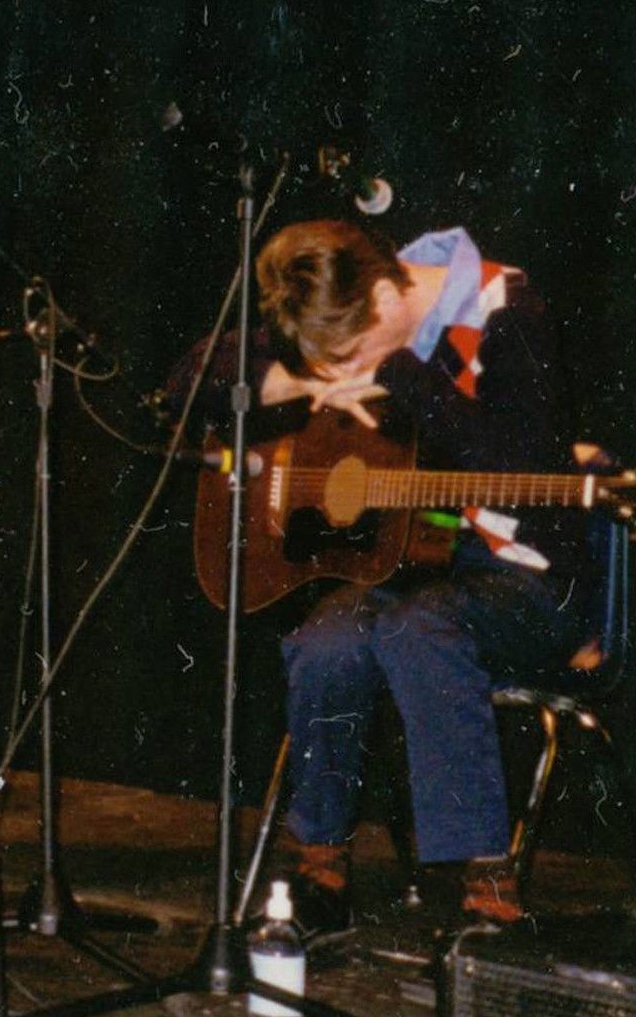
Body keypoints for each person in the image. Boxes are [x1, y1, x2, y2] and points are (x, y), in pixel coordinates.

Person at [176, 219, 592, 930]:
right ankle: (320, 860)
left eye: (347, 359)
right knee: (325, 640)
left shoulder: (507, 311)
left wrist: (398, 374)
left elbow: (516, 469)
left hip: (528, 577)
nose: (339, 381)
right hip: (422, 569)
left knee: (417, 626)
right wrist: (296, 380)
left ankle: (484, 870)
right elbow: (191, 378)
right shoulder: (341, 307)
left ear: (382, 296)